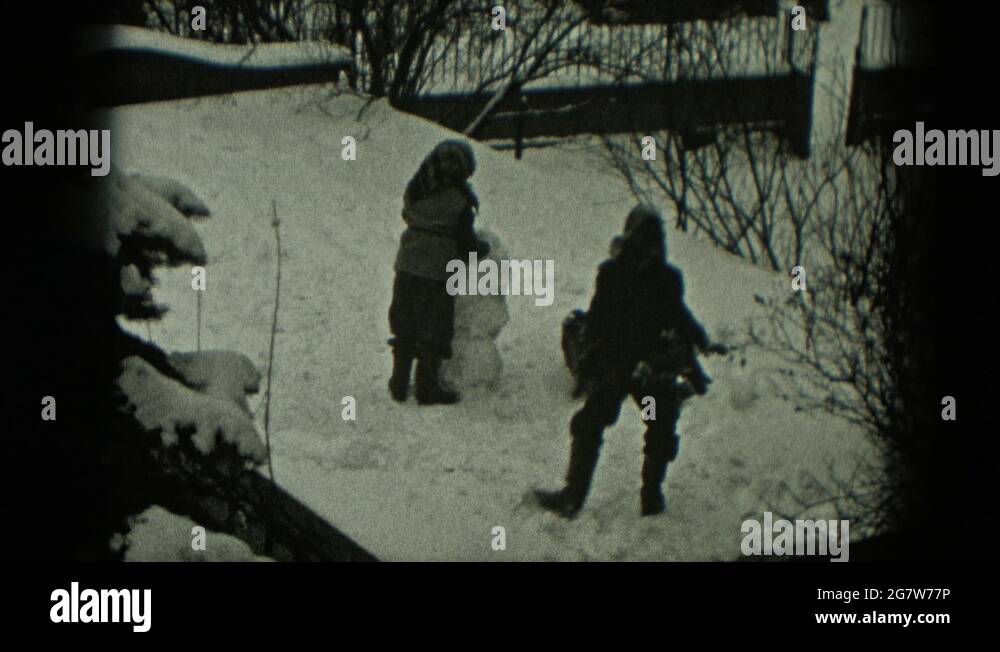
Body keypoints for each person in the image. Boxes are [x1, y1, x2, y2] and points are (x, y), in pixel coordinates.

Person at [536, 204, 721, 518]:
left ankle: (589, 496)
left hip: (634, 367)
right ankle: (643, 498)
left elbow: (669, 316)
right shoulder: (646, 275)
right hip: (635, 367)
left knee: (620, 424)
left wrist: (701, 342)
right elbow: (673, 317)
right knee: (633, 425)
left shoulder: (629, 274)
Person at [388, 140, 489, 405]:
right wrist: (483, 250)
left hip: (407, 263)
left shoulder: (417, 187)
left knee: (404, 322)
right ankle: (427, 387)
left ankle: (398, 383)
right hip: (437, 272)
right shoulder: (459, 201)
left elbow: (408, 215)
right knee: (434, 329)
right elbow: (466, 245)